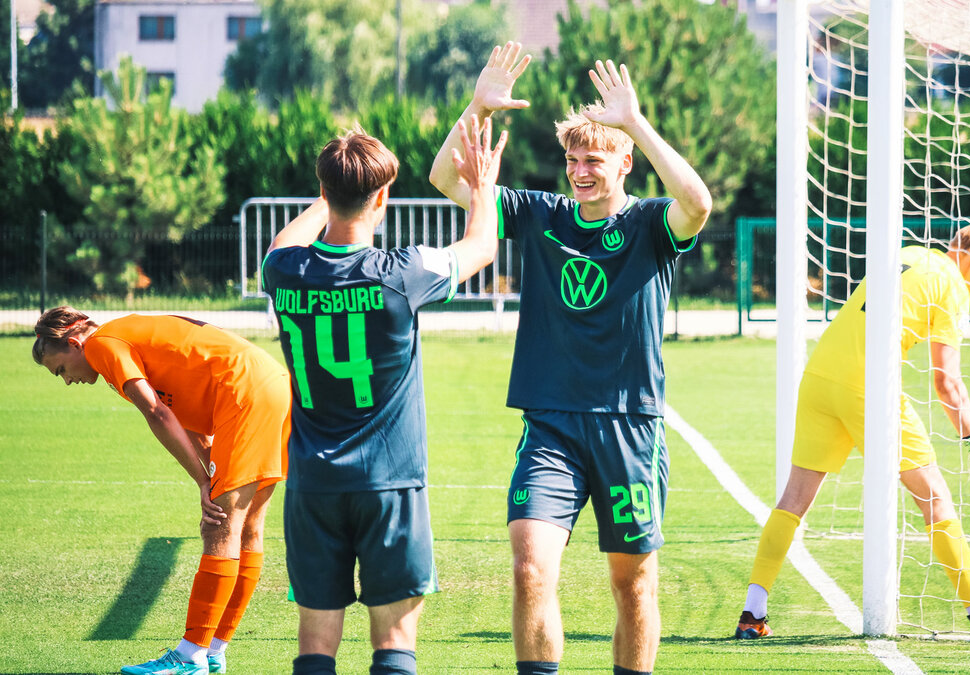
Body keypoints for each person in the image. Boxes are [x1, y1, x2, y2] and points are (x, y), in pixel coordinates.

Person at [429, 43, 712, 675]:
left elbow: (698, 204)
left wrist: (634, 121)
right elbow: (448, 180)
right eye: (572, 159)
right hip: (551, 424)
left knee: (633, 586)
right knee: (530, 570)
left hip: (629, 428)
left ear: (624, 162)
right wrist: (477, 105)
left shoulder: (650, 225)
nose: (580, 170)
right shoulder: (540, 216)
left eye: (595, 158)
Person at [261, 118, 506, 675]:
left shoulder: (285, 270)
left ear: (324, 194)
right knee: (395, 641)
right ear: (383, 198)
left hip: (312, 482)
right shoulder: (403, 273)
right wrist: (484, 184)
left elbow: (284, 242)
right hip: (389, 480)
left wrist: (332, 191)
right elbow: (482, 245)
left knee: (315, 644)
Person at [734, 219, 970, 638]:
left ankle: (753, 613)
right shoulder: (951, 285)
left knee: (794, 499)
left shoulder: (911, 255)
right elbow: (946, 380)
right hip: (868, 386)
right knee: (935, 498)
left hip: (820, 377)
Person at [32, 307, 290, 674]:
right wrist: (208, 476)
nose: (67, 380)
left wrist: (205, 483)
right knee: (246, 528)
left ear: (75, 344)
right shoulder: (122, 339)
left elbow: (157, 413)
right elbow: (187, 417)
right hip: (269, 382)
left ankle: (190, 656)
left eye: (60, 370)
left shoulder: (102, 344)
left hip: (243, 393)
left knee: (219, 526)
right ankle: (213, 650)